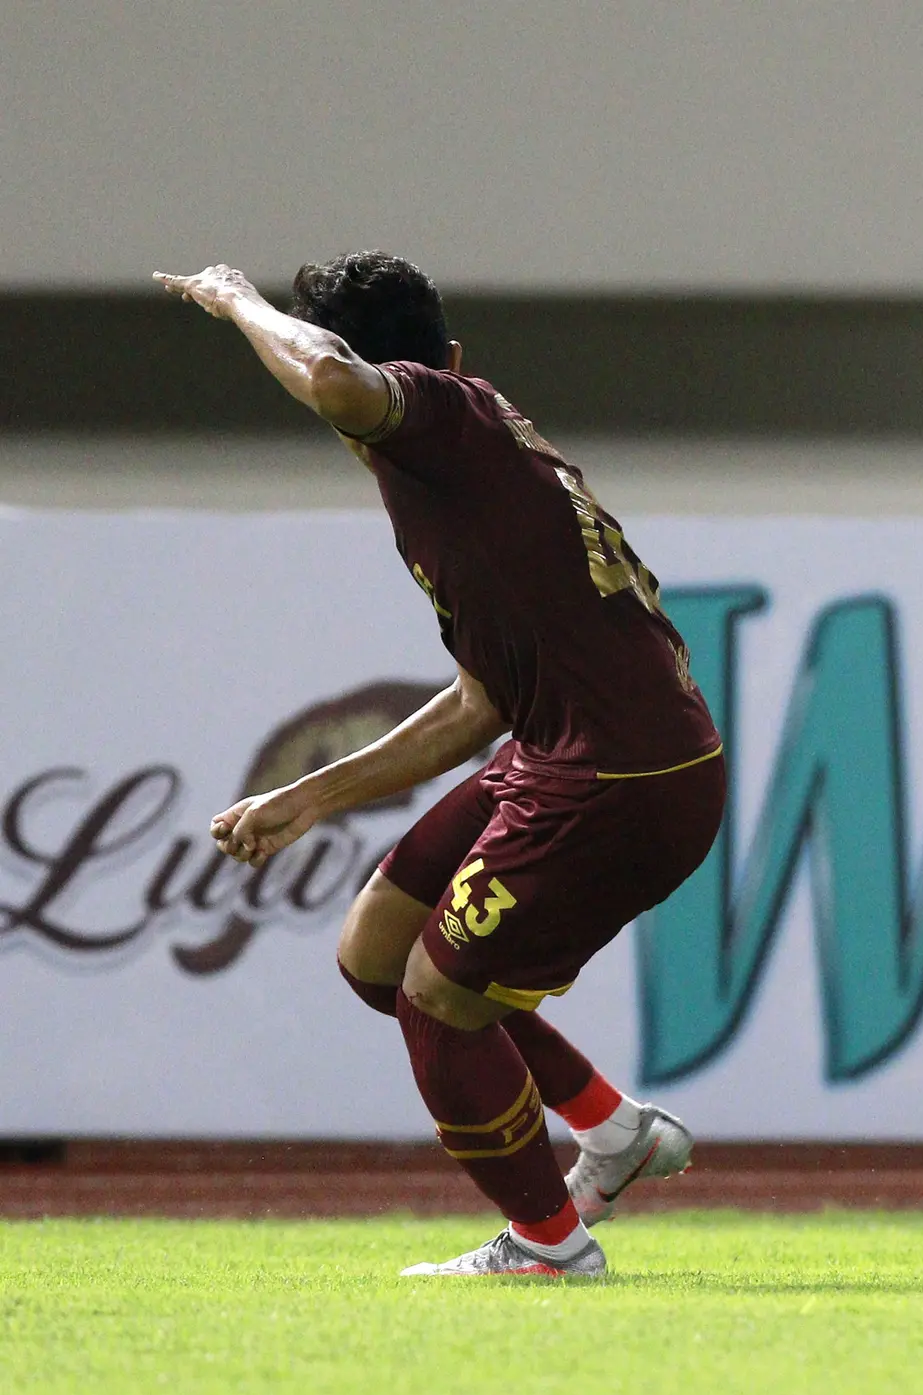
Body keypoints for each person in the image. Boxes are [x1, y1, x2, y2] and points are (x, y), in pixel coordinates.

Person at [157, 253, 726, 1277]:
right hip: (569, 750)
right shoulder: (469, 460)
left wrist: (235, 301)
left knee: (438, 999)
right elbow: (478, 705)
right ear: (451, 350)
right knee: (377, 953)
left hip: (615, 777)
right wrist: (306, 797)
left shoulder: (436, 416)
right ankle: (612, 1129)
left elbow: (336, 380)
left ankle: (551, 1247)